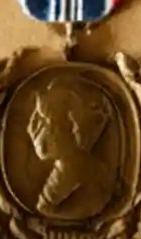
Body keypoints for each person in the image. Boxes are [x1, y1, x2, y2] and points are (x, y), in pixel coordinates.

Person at [26, 80, 117, 219]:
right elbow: (44, 208)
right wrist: (83, 217)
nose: (73, 128)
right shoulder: (64, 173)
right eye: (64, 127)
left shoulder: (82, 152)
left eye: (65, 124)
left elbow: (93, 123)